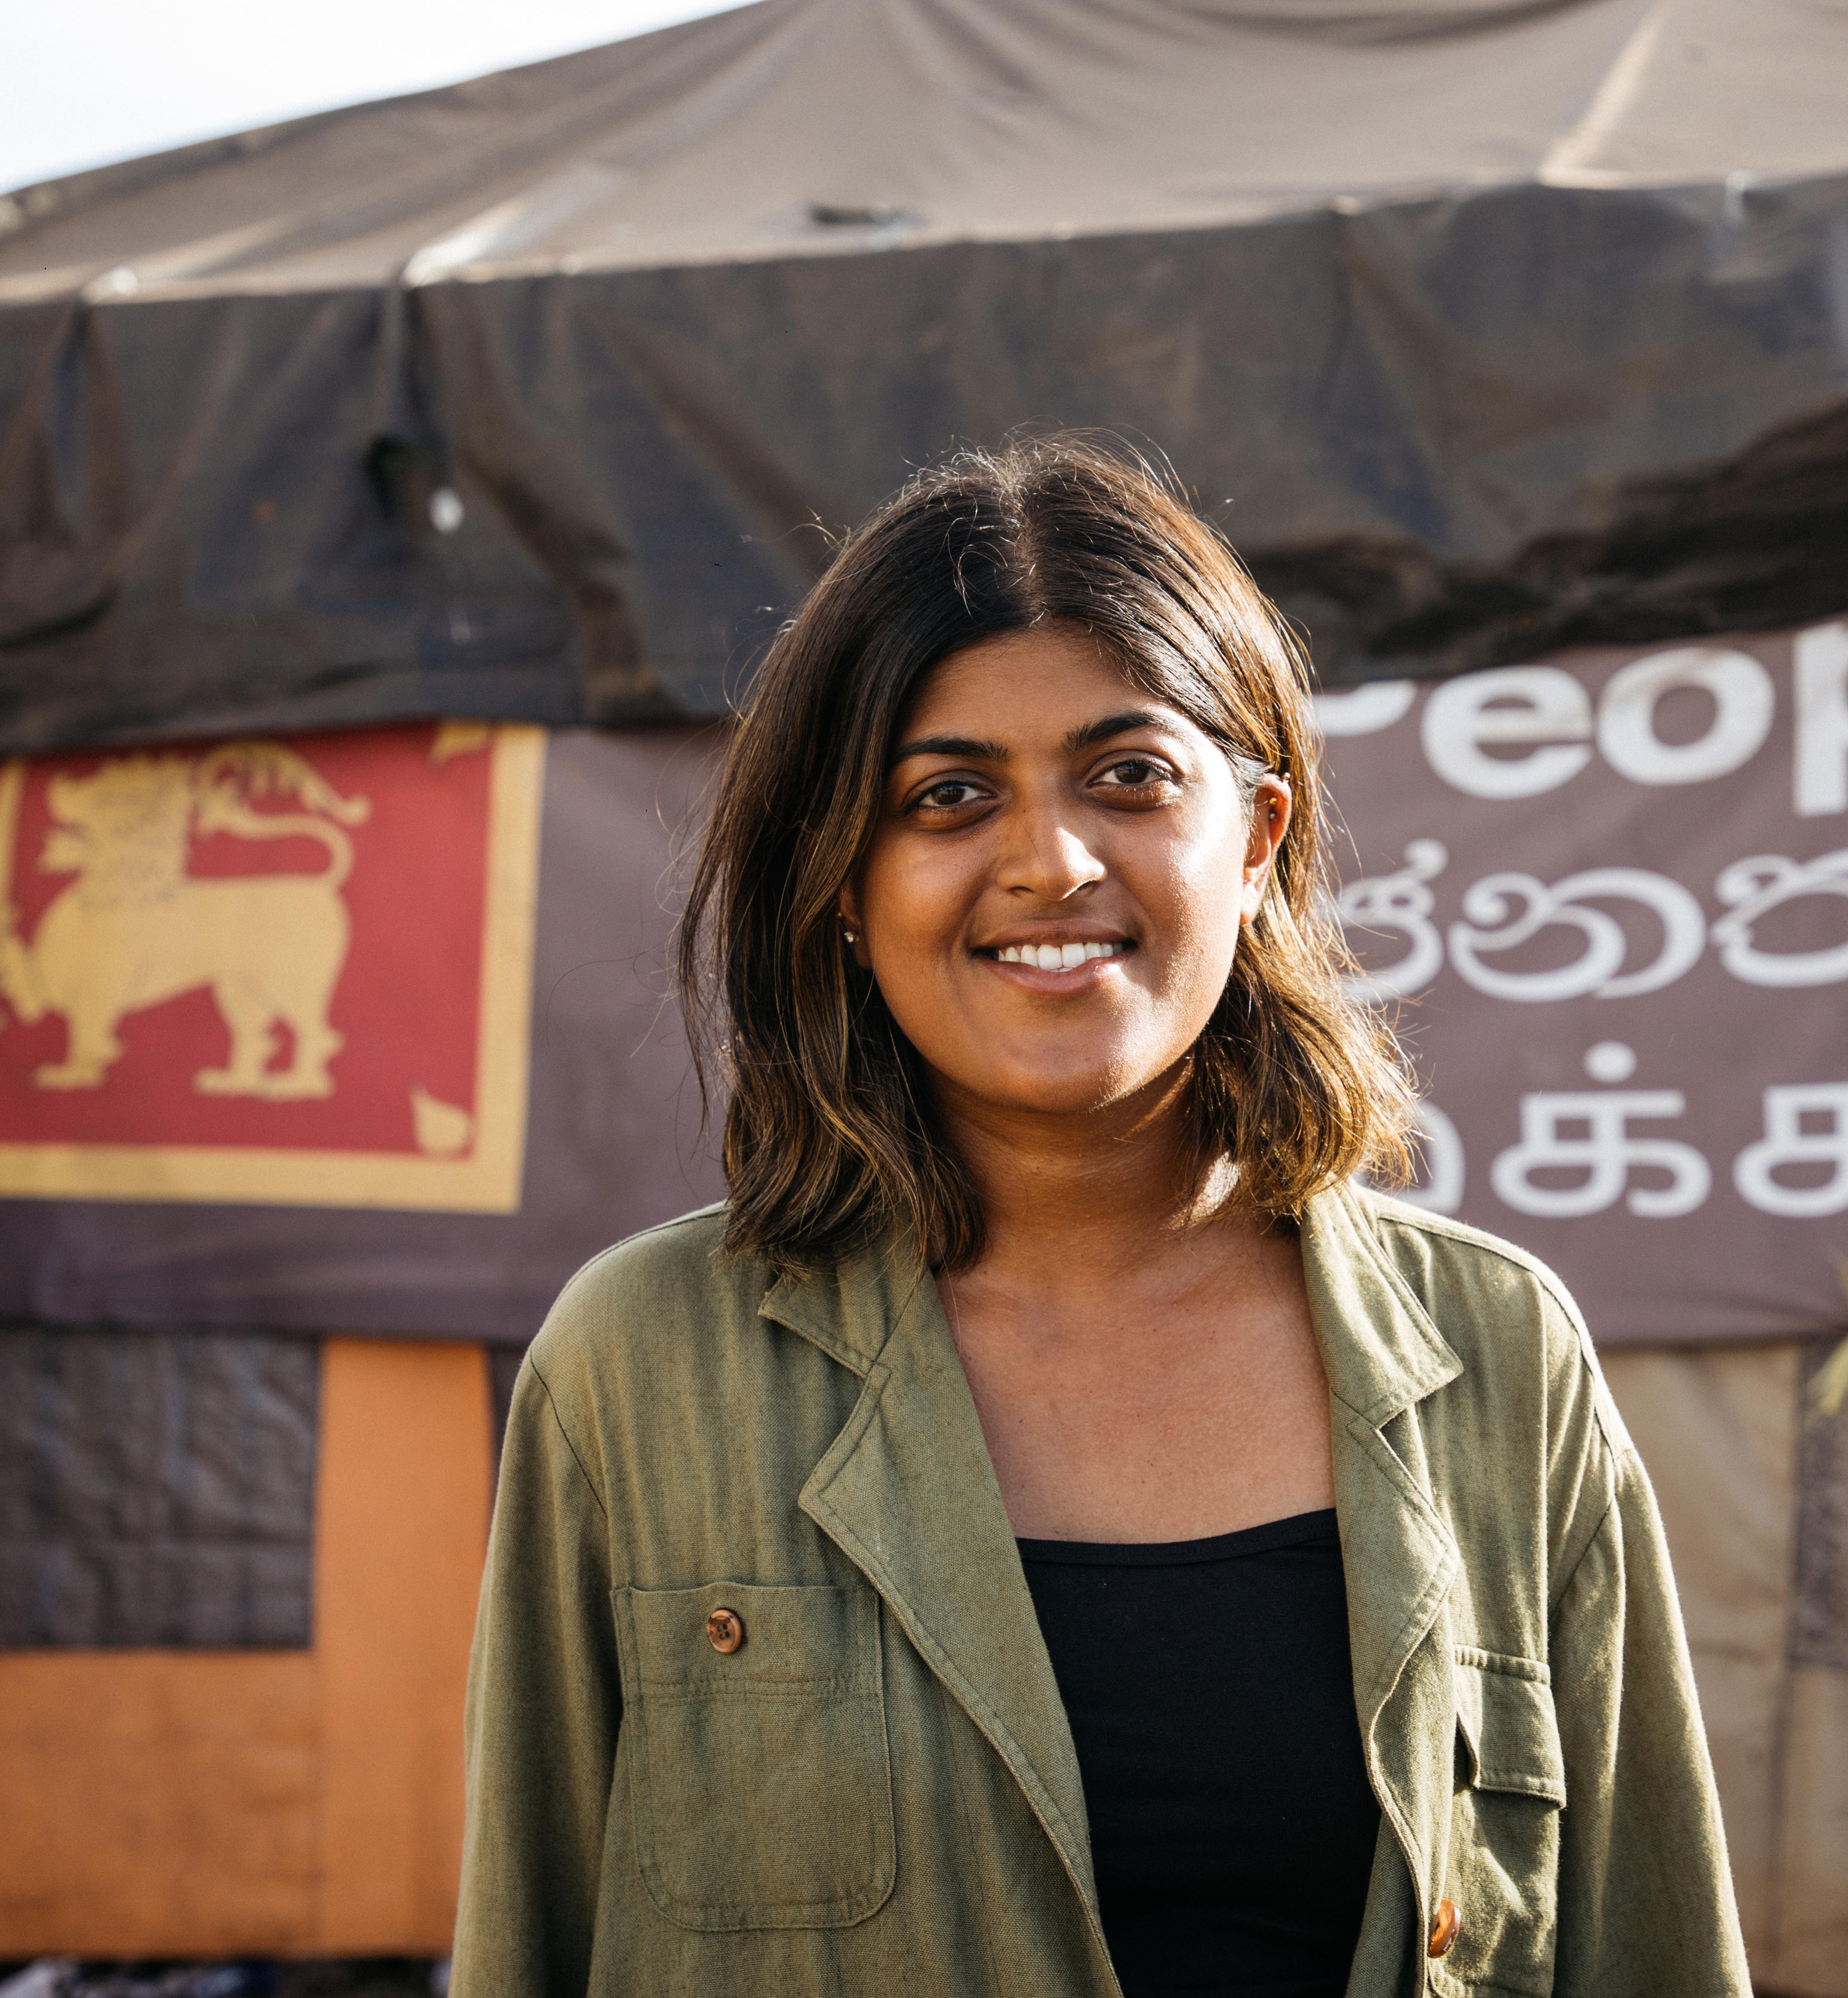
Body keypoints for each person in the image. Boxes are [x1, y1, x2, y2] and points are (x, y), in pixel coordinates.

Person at [454, 436, 1747, 1997]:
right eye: (946, 797)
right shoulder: (646, 1369)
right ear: (845, 884)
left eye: (1130, 777)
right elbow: (529, 1946)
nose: (1051, 861)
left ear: (1257, 841)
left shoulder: (1498, 1358)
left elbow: (1646, 1949)